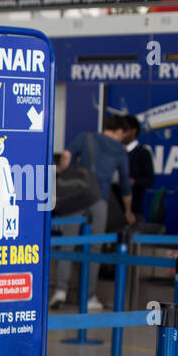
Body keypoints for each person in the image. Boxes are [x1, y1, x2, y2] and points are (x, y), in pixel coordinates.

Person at [53, 114, 130, 309]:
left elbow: (67, 157)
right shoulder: (120, 150)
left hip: (77, 197)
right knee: (95, 247)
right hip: (100, 199)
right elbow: (125, 182)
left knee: (67, 244)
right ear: (120, 131)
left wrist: (62, 172)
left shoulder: (86, 138)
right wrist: (128, 210)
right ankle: (88, 297)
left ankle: (60, 291)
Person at [121, 114, 155, 223]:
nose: (121, 133)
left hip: (134, 209)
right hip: (114, 206)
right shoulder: (115, 152)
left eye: (124, 129)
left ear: (133, 131)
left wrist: (134, 182)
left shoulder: (143, 153)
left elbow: (149, 180)